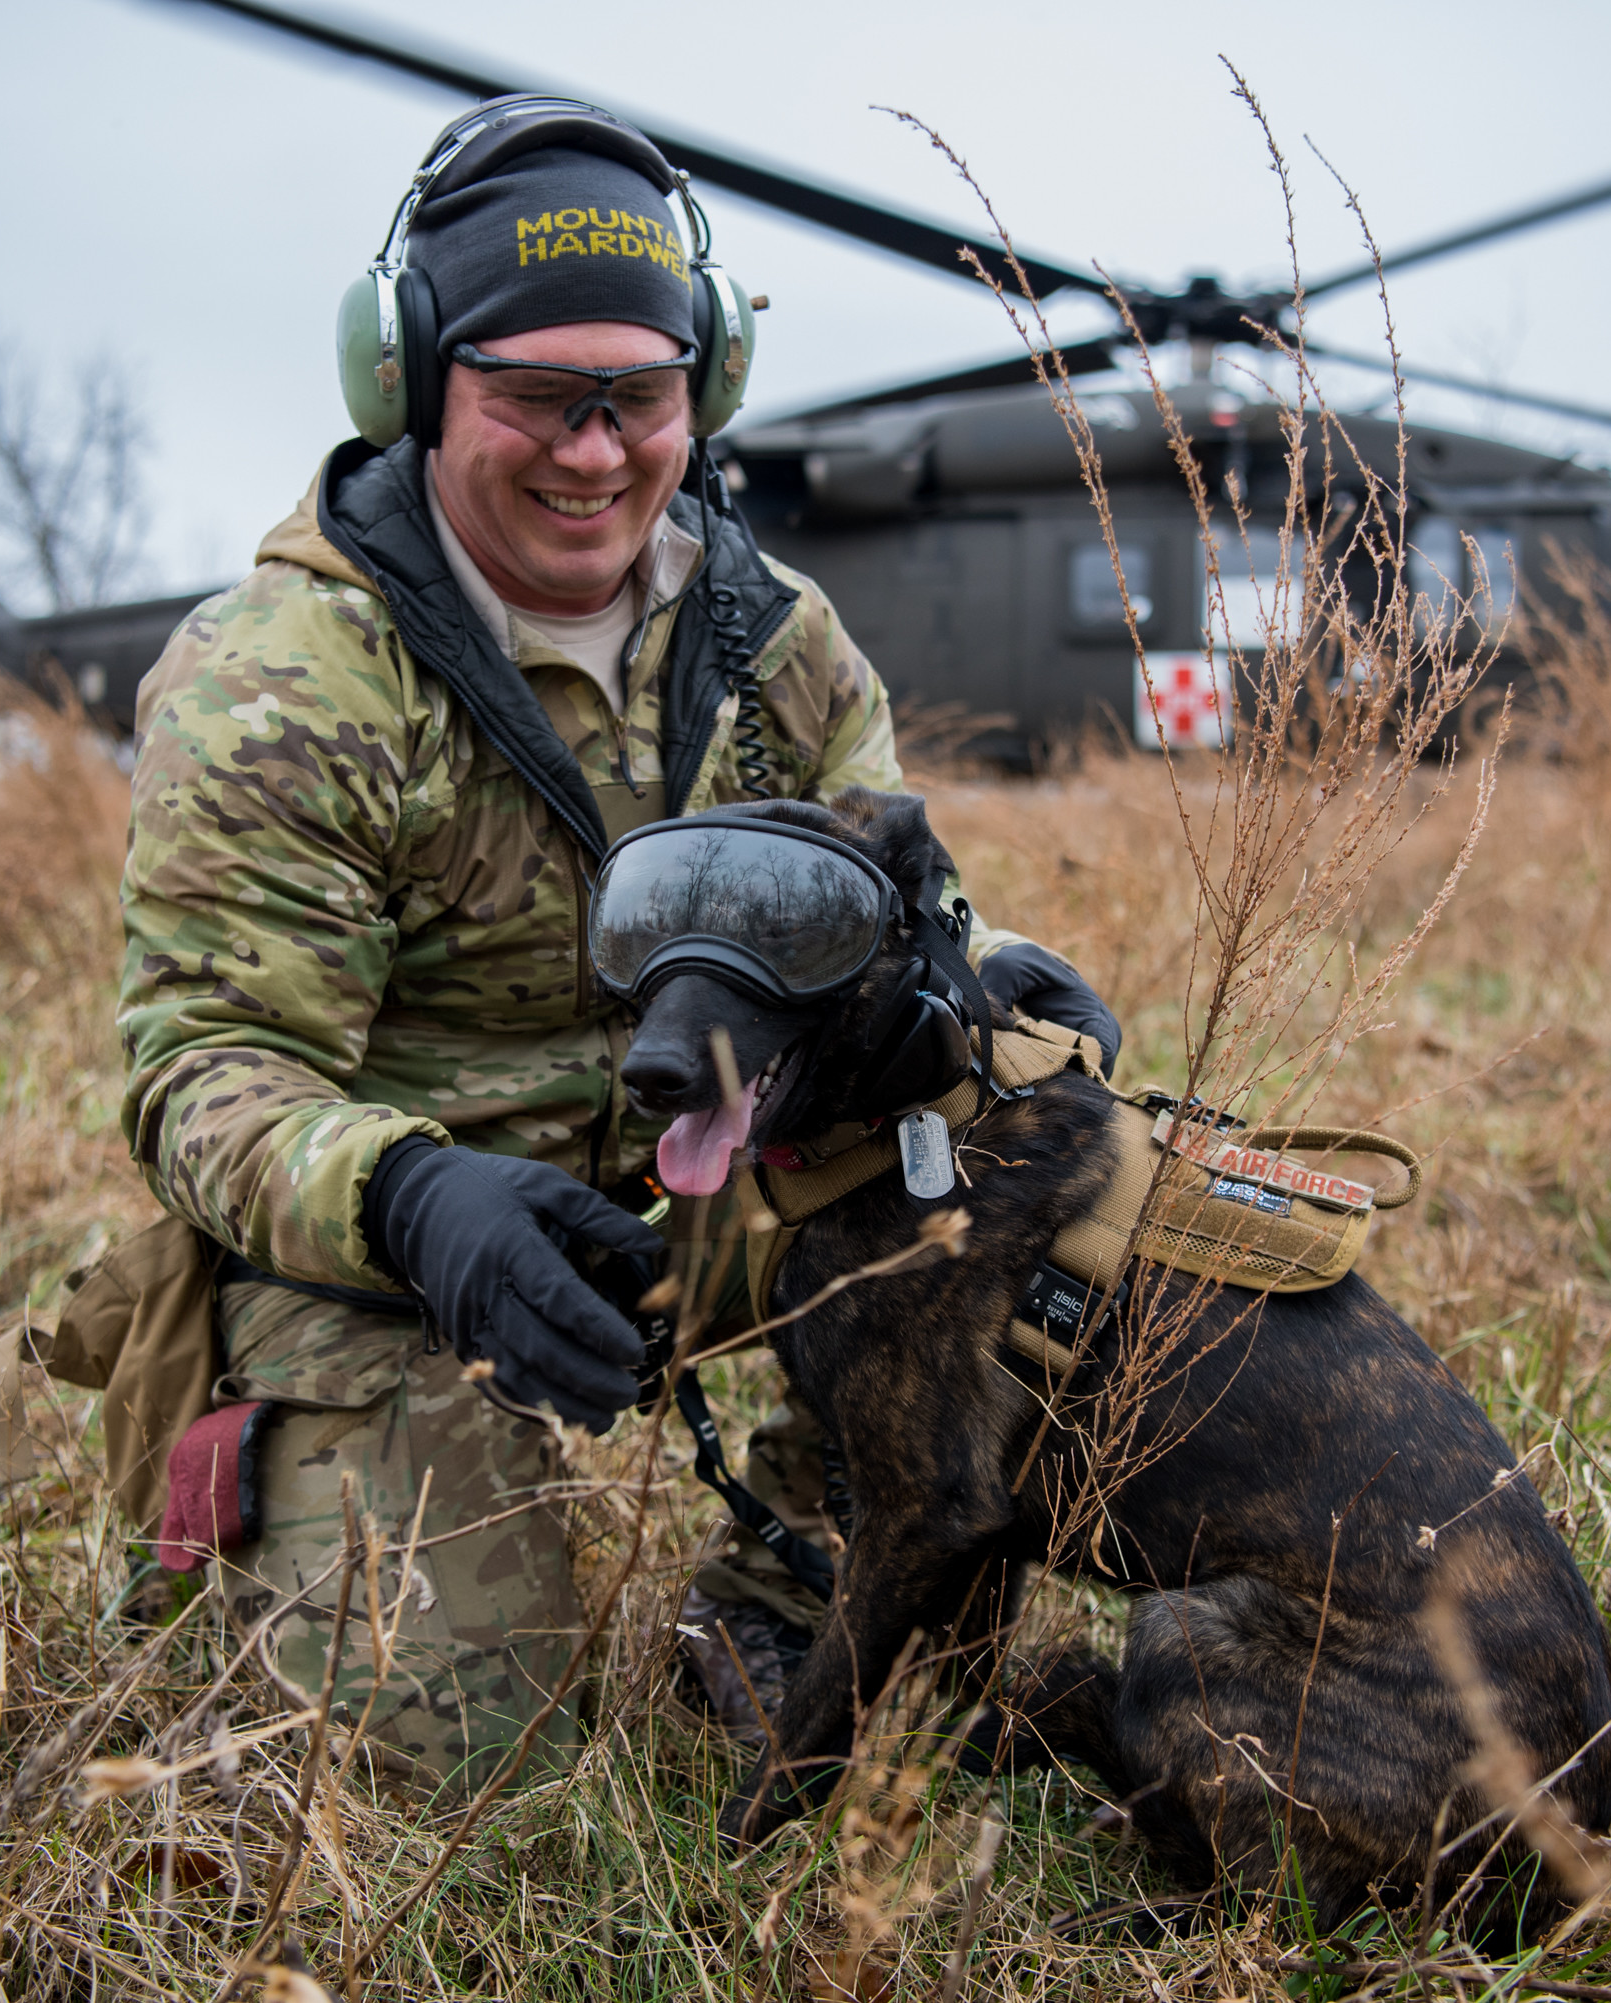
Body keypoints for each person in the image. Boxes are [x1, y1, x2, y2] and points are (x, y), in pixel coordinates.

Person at [115, 95, 1119, 1792]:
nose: (594, 454)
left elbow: (867, 903)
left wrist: (974, 967)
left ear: (702, 389)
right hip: (398, 1249)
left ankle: (785, 1582)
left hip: (710, 1197)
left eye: (637, 399)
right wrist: (415, 1202)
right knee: (460, 1778)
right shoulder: (282, 681)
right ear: (415, 384)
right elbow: (203, 1082)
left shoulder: (775, 641)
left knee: (1032, 1134)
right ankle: (257, 1508)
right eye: (532, 399)